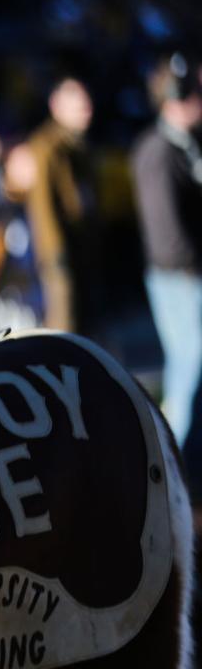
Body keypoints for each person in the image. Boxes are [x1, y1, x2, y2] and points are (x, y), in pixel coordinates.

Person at [132, 53, 202, 448]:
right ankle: (177, 452)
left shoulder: (186, 143)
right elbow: (166, 230)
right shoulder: (158, 150)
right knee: (189, 367)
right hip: (179, 276)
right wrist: (188, 266)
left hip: (187, 273)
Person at [23, 77, 97, 332]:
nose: (87, 111)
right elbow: (41, 206)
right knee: (65, 329)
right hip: (60, 254)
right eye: (79, 106)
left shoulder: (76, 145)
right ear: (56, 106)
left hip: (80, 248)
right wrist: (55, 256)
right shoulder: (46, 147)